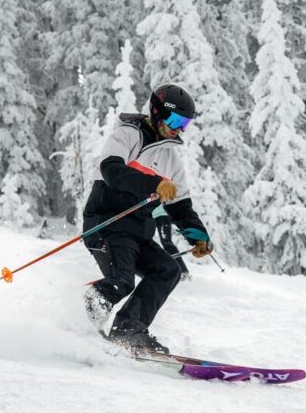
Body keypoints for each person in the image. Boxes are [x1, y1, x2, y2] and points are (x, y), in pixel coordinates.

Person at [81, 84, 214, 354]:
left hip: (138, 232)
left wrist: (197, 235)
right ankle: (80, 321)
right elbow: (111, 171)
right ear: (157, 112)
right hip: (107, 223)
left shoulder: (170, 157)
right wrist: (153, 183)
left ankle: (128, 329)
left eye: (185, 124)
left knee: (168, 270)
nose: (179, 128)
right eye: (176, 120)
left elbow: (180, 205)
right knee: (122, 281)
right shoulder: (129, 134)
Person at [152, 203, 191, 280]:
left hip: (162, 215)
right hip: (149, 216)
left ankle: (183, 271)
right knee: (145, 241)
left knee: (167, 242)